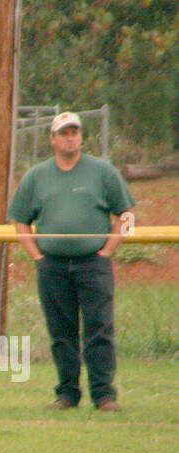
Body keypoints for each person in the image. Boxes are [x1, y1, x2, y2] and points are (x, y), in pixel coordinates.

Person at [9, 112, 136, 412]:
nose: (70, 138)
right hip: (52, 264)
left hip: (93, 263)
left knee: (99, 328)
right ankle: (67, 393)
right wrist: (37, 256)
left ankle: (103, 395)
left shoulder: (102, 172)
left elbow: (126, 214)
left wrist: (106, 251)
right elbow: (20, 220)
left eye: (74, 132)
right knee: (61, 332)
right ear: (52, 139)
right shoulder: (37, 176)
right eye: (63, 133)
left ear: (81, 137)